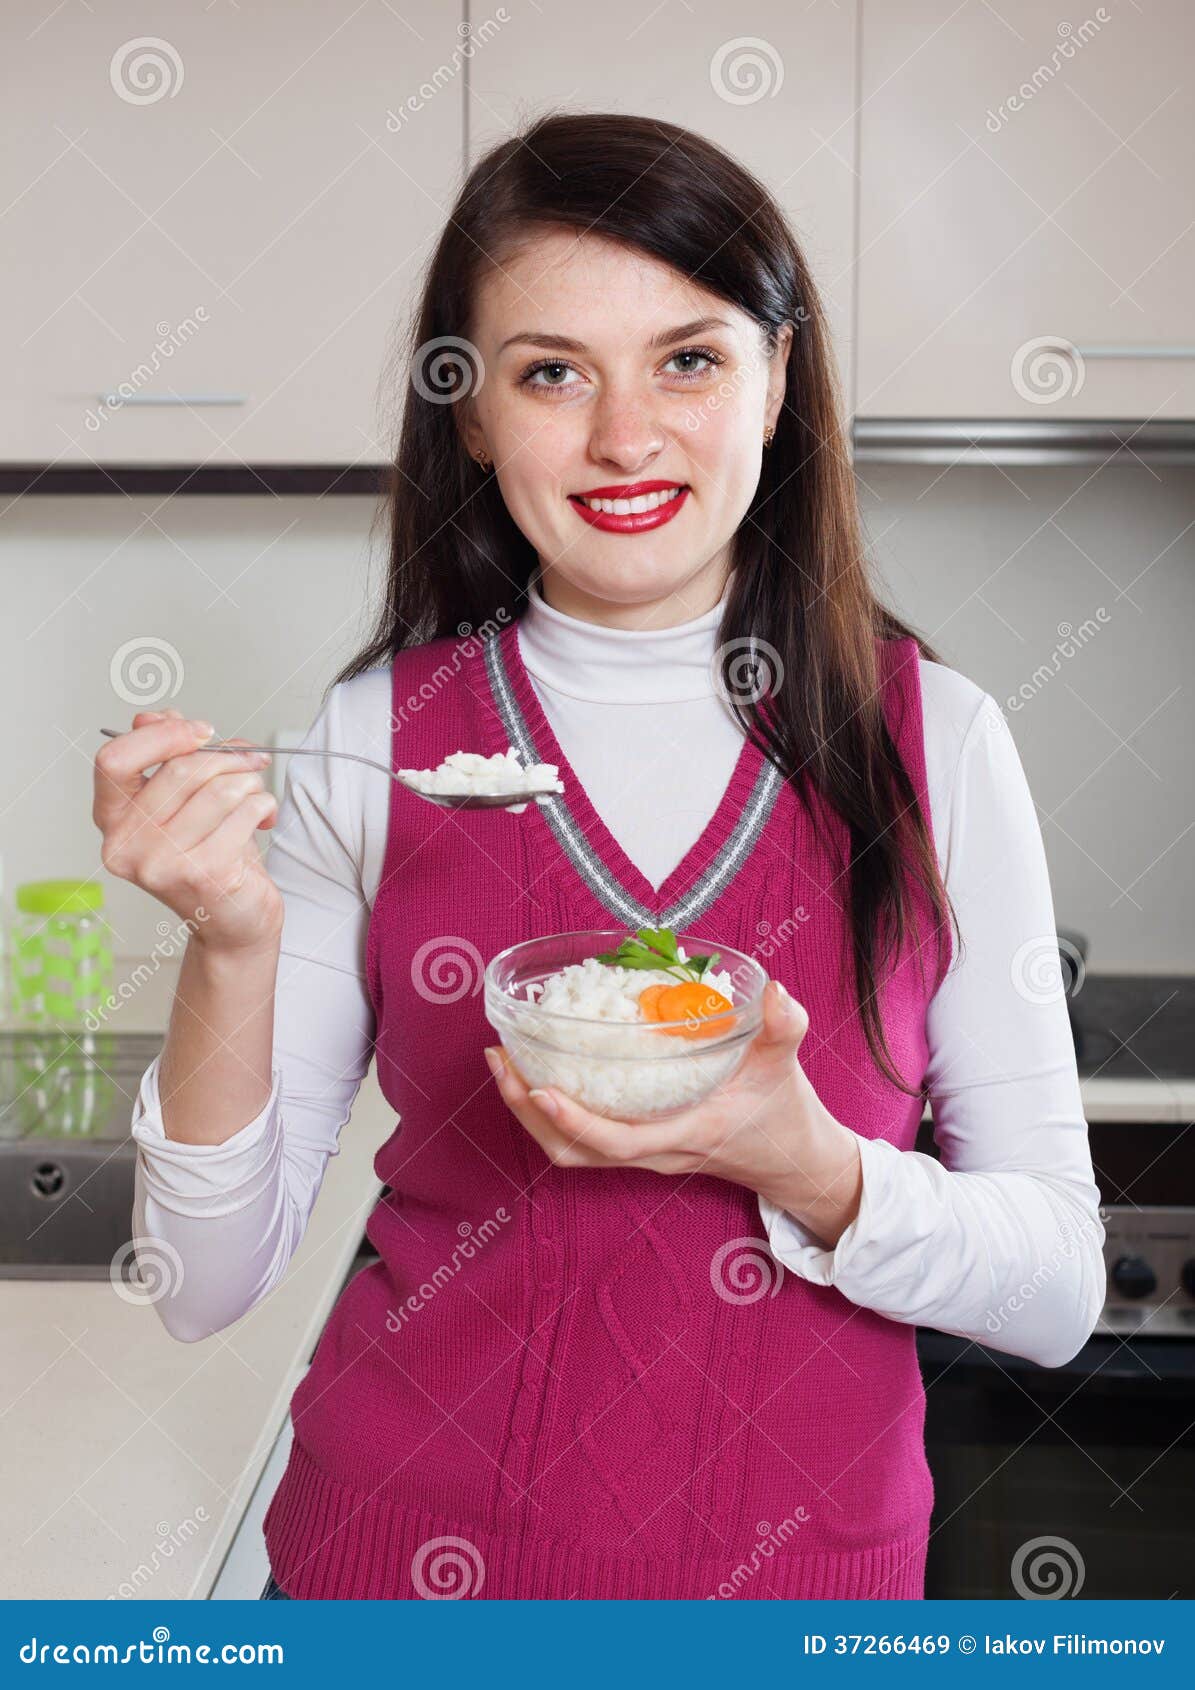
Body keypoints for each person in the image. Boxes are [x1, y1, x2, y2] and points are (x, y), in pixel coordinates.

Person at [93, 112, 1105, 1602]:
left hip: (800, 1607)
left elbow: (1060, 1289)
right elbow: (199, 1285)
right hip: (396, 1587)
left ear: (778, 381)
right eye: (552, 373)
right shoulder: (376, 740)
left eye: (688, 359)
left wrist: (811, 1166)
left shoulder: (930, 743)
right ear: (472, 414)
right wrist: (228, 945)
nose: (625, 437)